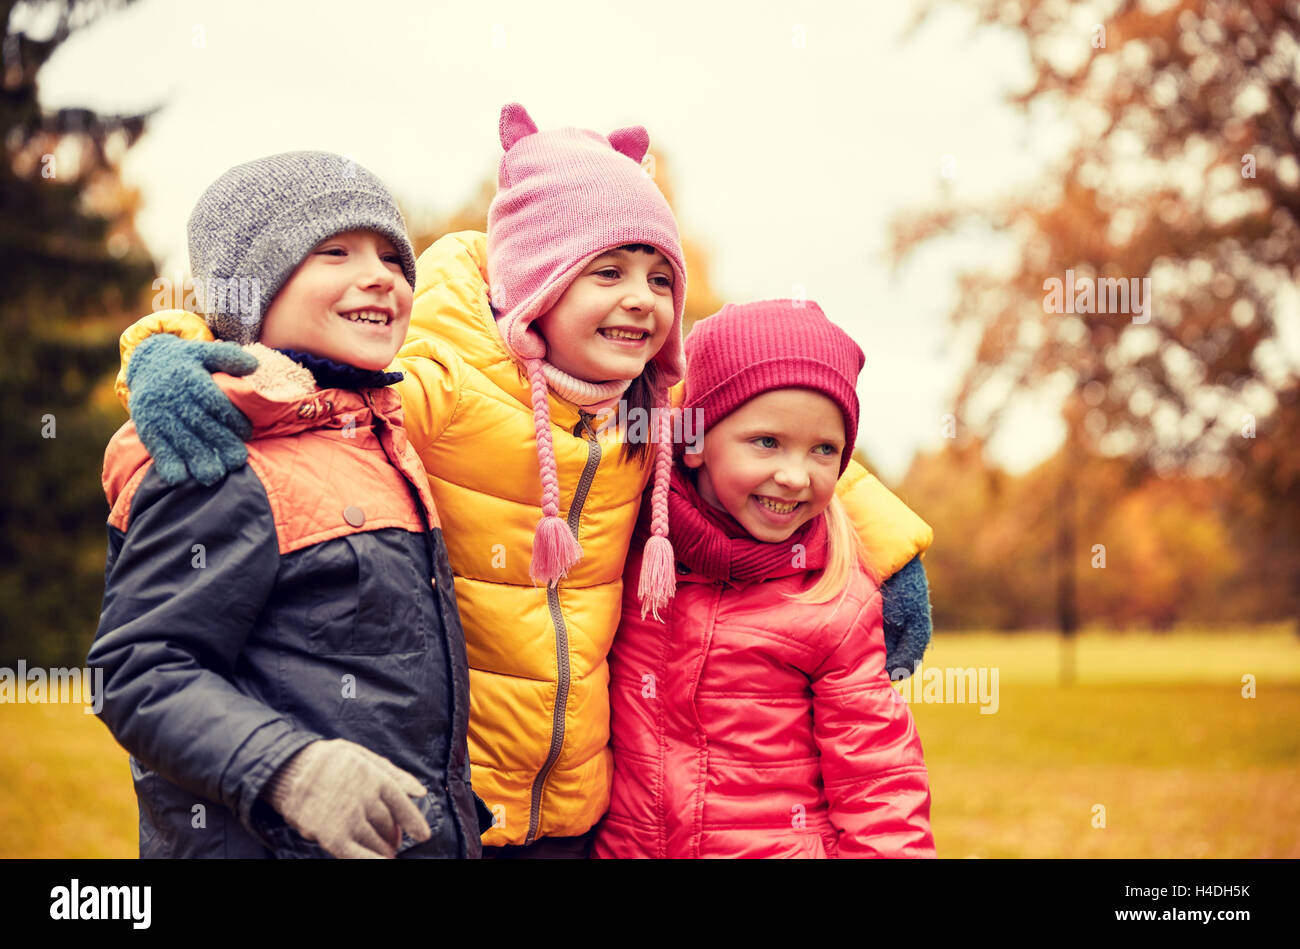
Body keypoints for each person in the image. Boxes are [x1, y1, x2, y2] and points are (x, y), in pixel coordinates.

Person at [109, 105, 935, 857]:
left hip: (581, 812)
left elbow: (770, 425)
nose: (642, 301)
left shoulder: (645, 405)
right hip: (463, 799)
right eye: (606, 272)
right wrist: (175, 349)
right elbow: (302, 388)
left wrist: (893, 550)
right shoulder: (443, 375)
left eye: (659, 279)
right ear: (539, 281)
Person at [88, 152, 489, 859]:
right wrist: (289, 767)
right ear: (251, 290)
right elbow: (139, 668)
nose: (380, 275)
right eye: (334, 251)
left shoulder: (381, 439)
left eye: (395, 259)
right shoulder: (217, 450)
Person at [594, 300, 936, 858]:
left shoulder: (835, 601)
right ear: (696, 440)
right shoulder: (629, 546)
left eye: (824, 449)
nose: (795, 475)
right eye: (766, 442)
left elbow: (878, 779)